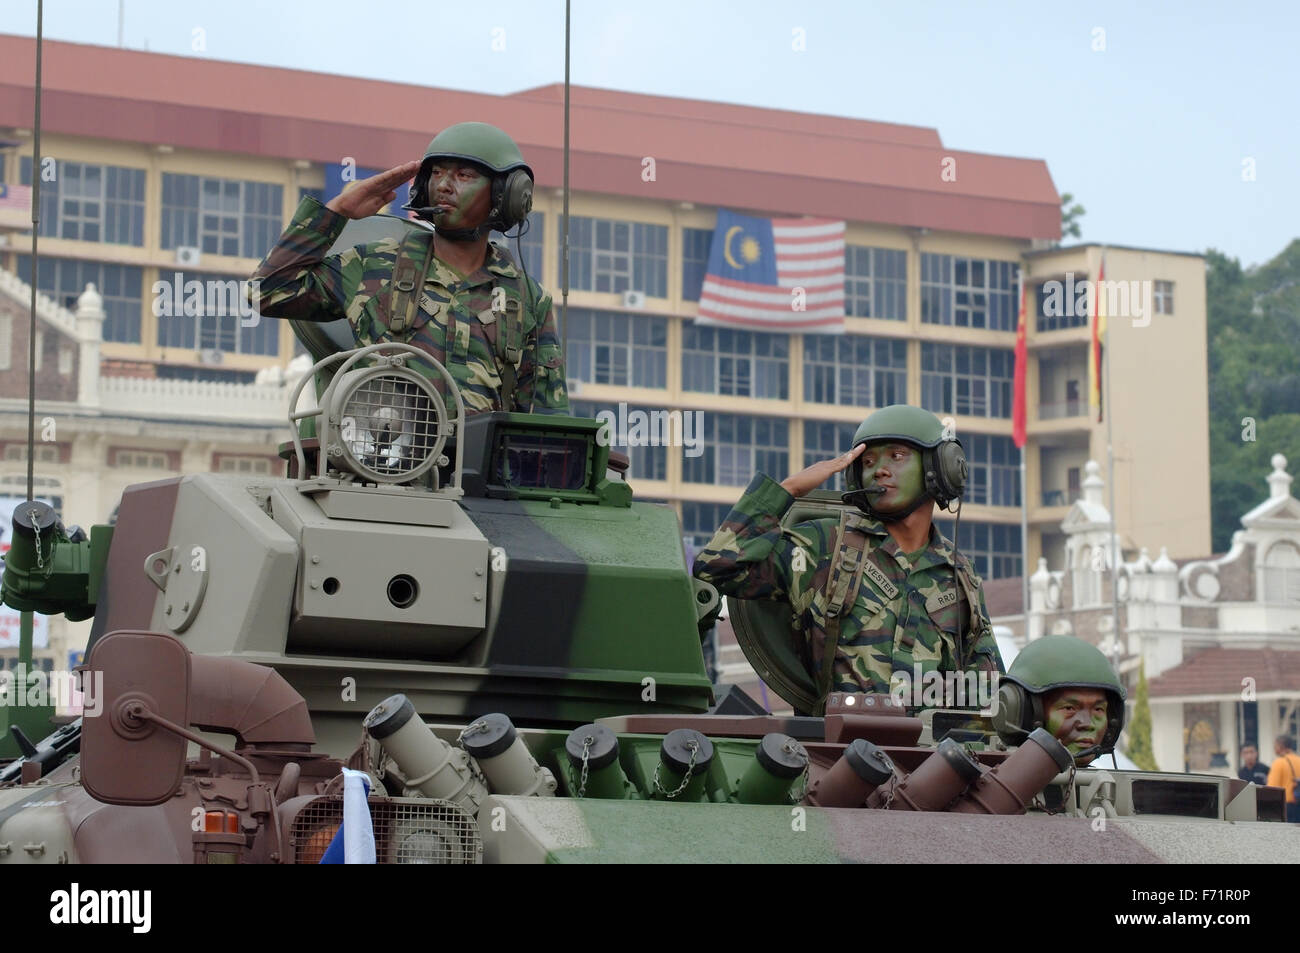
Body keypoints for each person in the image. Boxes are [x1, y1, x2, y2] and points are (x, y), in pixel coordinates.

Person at [693, 404, 1003, 713]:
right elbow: (715, 567)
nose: (878, 470)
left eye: (896, 456)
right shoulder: (825, 546)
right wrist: (789, 489)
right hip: (839, 750)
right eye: (867, 462)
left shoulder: (958, 572)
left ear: (941, 468)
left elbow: (987, 688)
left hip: (928, 755)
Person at [251, 121, 568, 415]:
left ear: (505, 195)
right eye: (438, 174)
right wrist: (337, 211)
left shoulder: (526, 298)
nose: (443, 185)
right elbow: (265, 292)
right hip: (380, 463)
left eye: (463, 176)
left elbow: (546, 416)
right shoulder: (373, 267)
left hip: (481, 472)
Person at [992, 634, 1126, 767]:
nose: (1087, 724)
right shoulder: (985, 784)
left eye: (1098, 709)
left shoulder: (1110, 785)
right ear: (1024, 714)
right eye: (1069, 708)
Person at [1265, 734, 1300, 822]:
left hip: (1287, 807)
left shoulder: (1279, 763)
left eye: (1275, 745)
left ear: (1280, 746)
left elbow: (1272, 789)